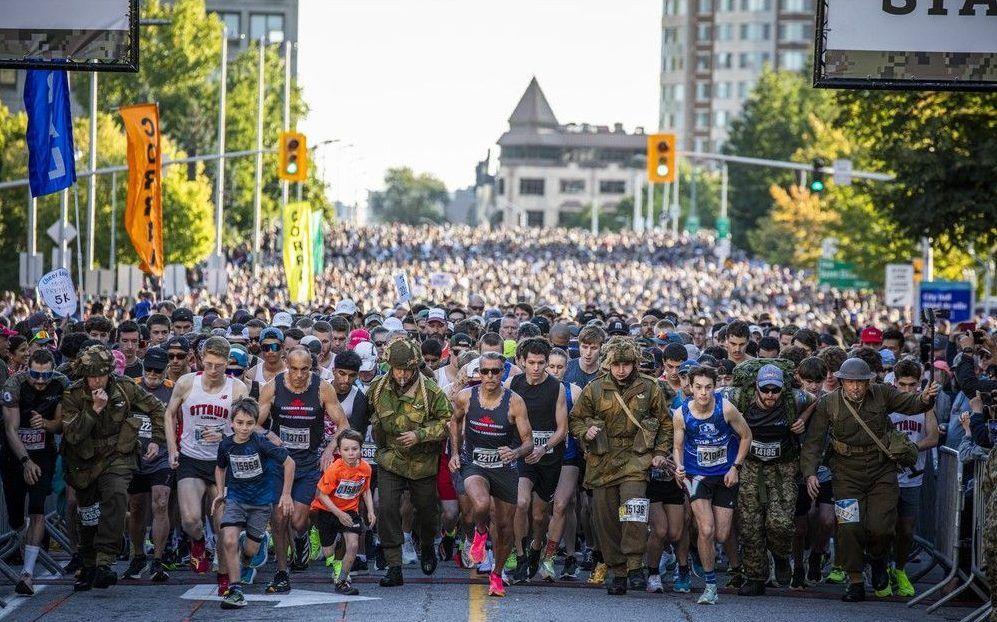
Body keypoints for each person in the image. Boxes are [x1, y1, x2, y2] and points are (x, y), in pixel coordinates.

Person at [800, 357, 939, 602]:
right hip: (845, 474)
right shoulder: (828, 403)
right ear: (841, 381)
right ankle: (854, 580)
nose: (855, 387)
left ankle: (877, 560)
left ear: (868, 382)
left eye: (860, 382)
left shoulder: (882, 394)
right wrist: (810, 472)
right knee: (849, 527)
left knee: (881, 527)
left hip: (881, 472)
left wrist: (926, 397)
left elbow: (911, 403)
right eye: (850, 382)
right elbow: (813, 441)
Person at [570, 338, 673, 596]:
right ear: (608, 364)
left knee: (633, 509)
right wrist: (586, 431)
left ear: (635, 363)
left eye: (626, 364)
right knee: (605, 519)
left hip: (636, 458)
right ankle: (618, 570)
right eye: (616, 364)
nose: (621, 370)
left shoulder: (650, 387)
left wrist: (660, 452)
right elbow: (575, 420)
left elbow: (664, 423)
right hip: (602, 459)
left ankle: (635, 564)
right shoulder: (594, 389)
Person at [60, 345, 167, 592]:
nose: (96, 379)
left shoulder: (125, 387)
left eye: (101, 374)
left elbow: (156, 408)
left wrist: (156, 440)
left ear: (110, 371)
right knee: (88, 515)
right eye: (91, 375)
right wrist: (94, 409)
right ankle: (88, 563)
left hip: (118, 456)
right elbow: (73, 435)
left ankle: (105, 560)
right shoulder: (73, 395)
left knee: (117, 496)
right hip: (84, 461)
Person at [258, 347, 348, 592]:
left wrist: (330, 449)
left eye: (304, 369)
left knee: (298, 521)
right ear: (286, 364)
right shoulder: (272, 387)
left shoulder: (322, 388)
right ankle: (281, 571)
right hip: (279, 462)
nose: (298, 375)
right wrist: (268, 434)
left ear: (312, 367)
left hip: (308, 463)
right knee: (278, 517)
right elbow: (253, 423)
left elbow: (343, 424)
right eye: (294, 369)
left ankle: (300, 539)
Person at [164, 336, 248, 596]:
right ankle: (198, 542)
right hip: (191, 457)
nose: (213, 370)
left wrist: (225, 435)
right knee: (190, 519)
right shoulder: (187, 382)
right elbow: (169, 414)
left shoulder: (237, 389)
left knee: (224, 526)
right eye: (208, 364)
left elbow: (246, 426)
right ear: (201, 360)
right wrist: (172, 448)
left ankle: (224, 576)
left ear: (227, 364)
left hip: (222, 462)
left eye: (219, 365)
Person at [368, 339, 452, 586]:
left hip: (422, 461)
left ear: (415, 368)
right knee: (387, 508)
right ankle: (394, 565)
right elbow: (360, 418)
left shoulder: (431, 392)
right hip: (390, 458)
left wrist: (420, 435)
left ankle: (427, 545)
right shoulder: (377, 388)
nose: (402, 374)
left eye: (406, 369)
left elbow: (448, 423)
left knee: (427, 511)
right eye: (397, 368)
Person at [450, 351, 533, 597]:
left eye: (495, 371)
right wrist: (455, 452)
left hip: (504, 468)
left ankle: (496, 575)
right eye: (484, 371)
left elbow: (529, 442)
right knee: (481, 502)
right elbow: (453, 422)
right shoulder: (465, 397)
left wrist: (516, 452)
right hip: (474, 464)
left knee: (506, 528)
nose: (489, 376)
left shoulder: (514, 402)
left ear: (502, 372)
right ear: (478, 373)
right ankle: (480, 533)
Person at [729, 363, 812, 596]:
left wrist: (803, 418)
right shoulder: (738, 397)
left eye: (775, 390)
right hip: (750, 467)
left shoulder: (793, 399)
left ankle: (781, 556)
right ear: (756, 387)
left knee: (781, 523)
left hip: (782, 467)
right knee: (750, 525)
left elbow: (819, 399)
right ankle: (755, 577)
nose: (770, 395)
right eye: (765, 390)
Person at [673, 365, 752, 605]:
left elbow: (747, 436)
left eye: (708, 387)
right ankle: (709, 586)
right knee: (706, 529)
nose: (703, 393)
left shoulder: (725, 408)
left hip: (724, 476)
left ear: (715, 387)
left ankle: (705, 553)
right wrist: (679, 466)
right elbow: (677, 445)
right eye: (698, 387)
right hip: (697, 476)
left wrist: (735, 467)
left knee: (721, 534)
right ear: (691, 387)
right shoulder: (681, 413)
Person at [212, 397, 295, 609]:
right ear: (232, 423)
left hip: (260, 503)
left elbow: (289, 463)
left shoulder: (260, 443)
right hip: (236, 499)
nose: (244, 428)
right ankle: (236, 590)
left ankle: (254, 549)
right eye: (239, 423)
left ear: (255, 423)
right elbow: (220, 468)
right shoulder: (226, 444)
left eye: (249, 423)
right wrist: (221, 492)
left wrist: (285, 494)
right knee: (229, 540)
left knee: (249, 551)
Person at [2, 349, 68, 595]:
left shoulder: (60, 384)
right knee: (16, 516)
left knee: (38, 508)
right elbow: (10, 429)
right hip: (15, 455)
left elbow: (61, 425)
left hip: (44, 453)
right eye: (35, 374)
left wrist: (47, 424)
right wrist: (25, 461)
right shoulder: (14, 384)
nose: (41, 380)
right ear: (27, 369)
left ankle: (27, 574)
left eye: (46, 375)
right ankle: (21, 540)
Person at [508, 337, 568, 583]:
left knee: (539, 515)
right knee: (521, 502)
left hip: (549, 457)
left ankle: (535, 546)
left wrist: (543, 448)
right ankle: (520, 557)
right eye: (531, 362)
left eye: (540, 363)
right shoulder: (514, 383)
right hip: (523, 453)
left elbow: (562, 429)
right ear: (522, 362)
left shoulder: (557, 388)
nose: (535, 367)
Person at [122, 347, 175, 582]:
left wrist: (166, 446)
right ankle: (139, 555)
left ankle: (158, 558)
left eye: (158, 371)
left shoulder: (173, 390)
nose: (152, 374)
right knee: (136, 508)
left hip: (162, 456)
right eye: (148, 370)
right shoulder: (130, 385)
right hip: (135, 458)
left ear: (166, 371)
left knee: (161, 504)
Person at [889, 359, 939, 597]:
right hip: (886, 477)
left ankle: (899, 569)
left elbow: (933, 437)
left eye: (912, 385)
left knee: (906, 530)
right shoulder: (888, 403)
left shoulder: (926, 406)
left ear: (919, 384)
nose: (907, 390)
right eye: (902, 385)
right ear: (895, 383)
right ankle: (880, 569)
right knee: (882, 527)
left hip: (913, 478)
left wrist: (911, 450)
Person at [312, 428, 376, 596]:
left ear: (361, 449)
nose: (351, 453)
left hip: (350, 510)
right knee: (329, 553)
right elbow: (321, 495)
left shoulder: (365, 468)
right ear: (339, 451)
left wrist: (371, 511)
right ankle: (334, 549)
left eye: (355, 449)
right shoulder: (334, 470)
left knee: (354, 545)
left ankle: (342, 580)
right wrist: (338, 514)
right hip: (328, 511)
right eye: (346, 450)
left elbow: (366, 490)